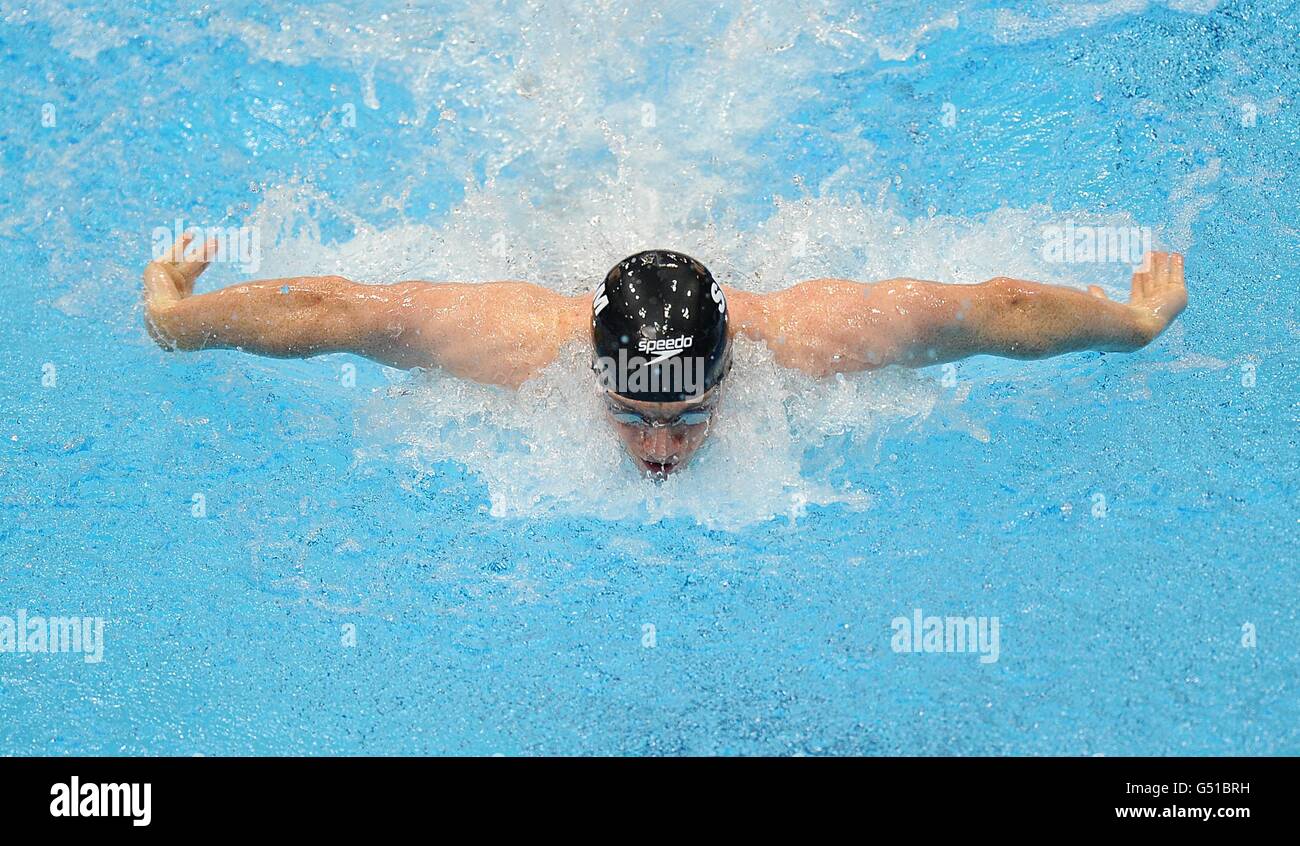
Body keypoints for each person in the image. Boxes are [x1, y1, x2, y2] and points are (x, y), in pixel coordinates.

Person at [143, 236, 1187, 477]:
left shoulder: (811, 343)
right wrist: (174, 323)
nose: (658, 452)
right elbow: (337, 313)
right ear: (592, 380)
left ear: (729, 377)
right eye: (633, 416)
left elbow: (982, 313)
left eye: (689, 419)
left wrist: (1128, 324)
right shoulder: (514, 348)